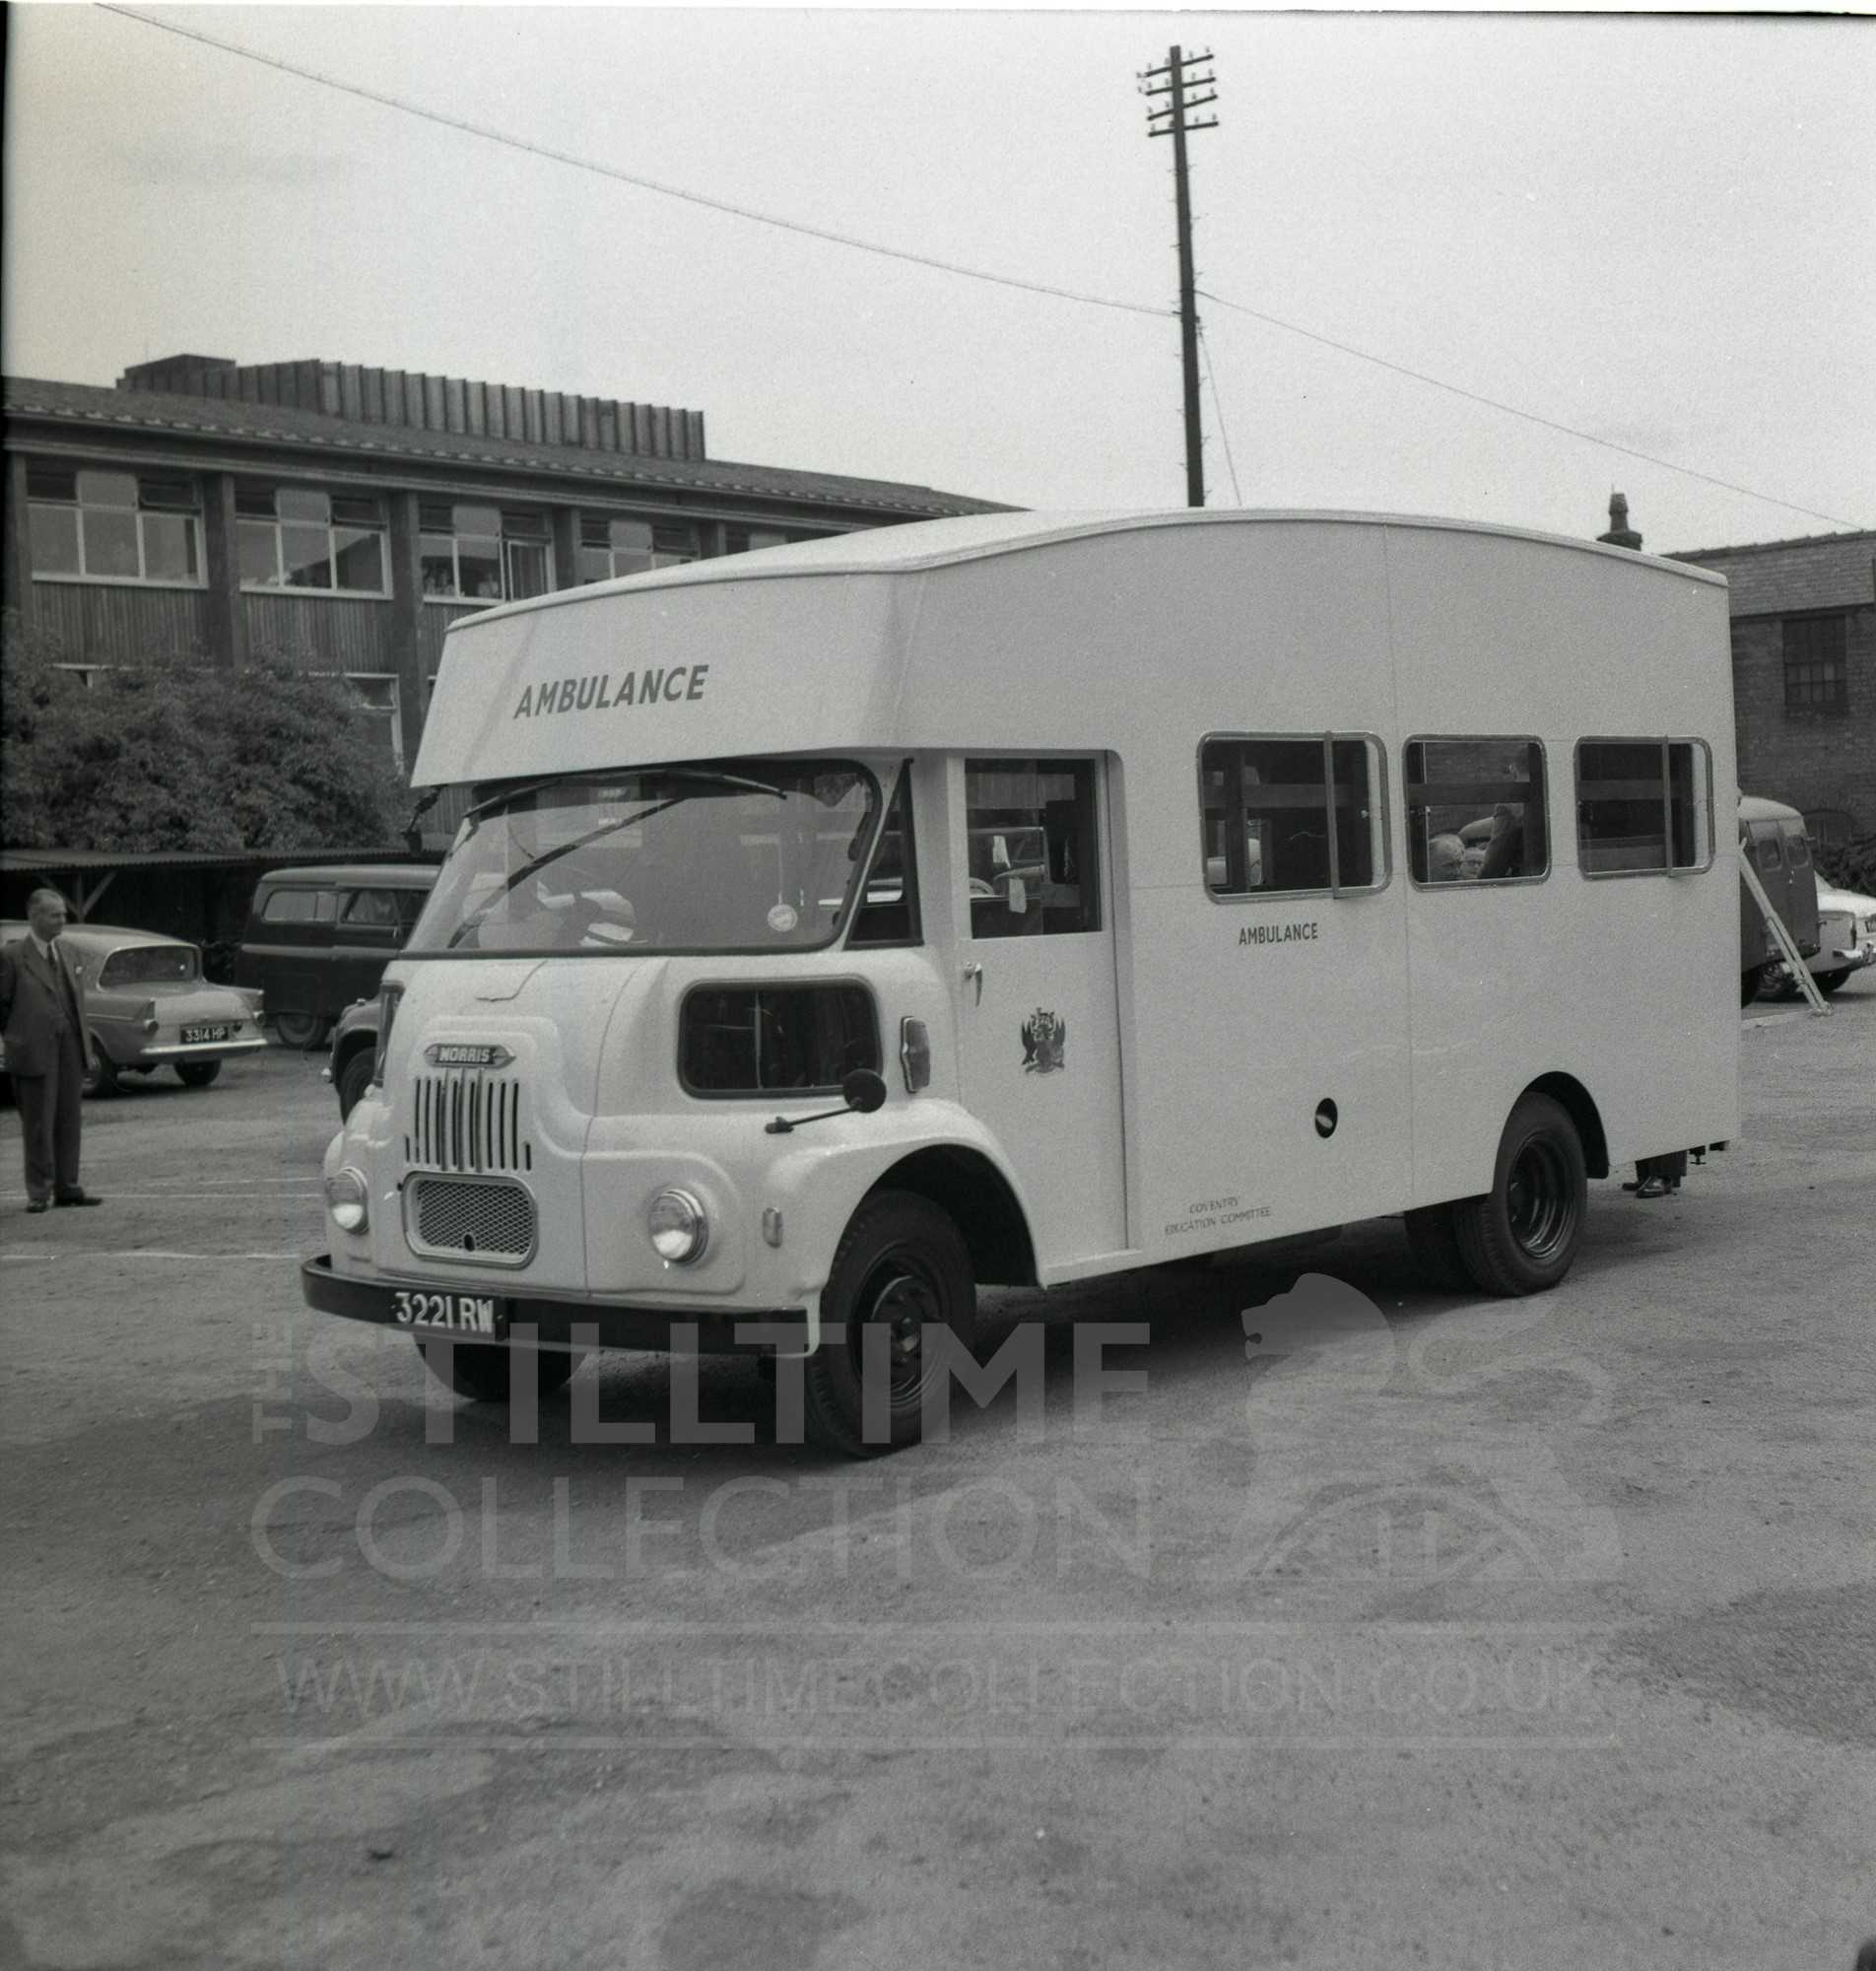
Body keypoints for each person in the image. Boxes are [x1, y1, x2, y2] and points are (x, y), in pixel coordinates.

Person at [1, 889, 101, 1213]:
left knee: (69, 1119)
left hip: (69, 1045)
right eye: (55, 914)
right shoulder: (13, 956)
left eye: (63, 914)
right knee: (39, 1122)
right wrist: (16, 1038)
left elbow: (78, 1003)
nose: (62, 919)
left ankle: (68, 1187)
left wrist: (86, 1049)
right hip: (32, 1048)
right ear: (34, 917)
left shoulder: (69, 952)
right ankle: (39, 1192)